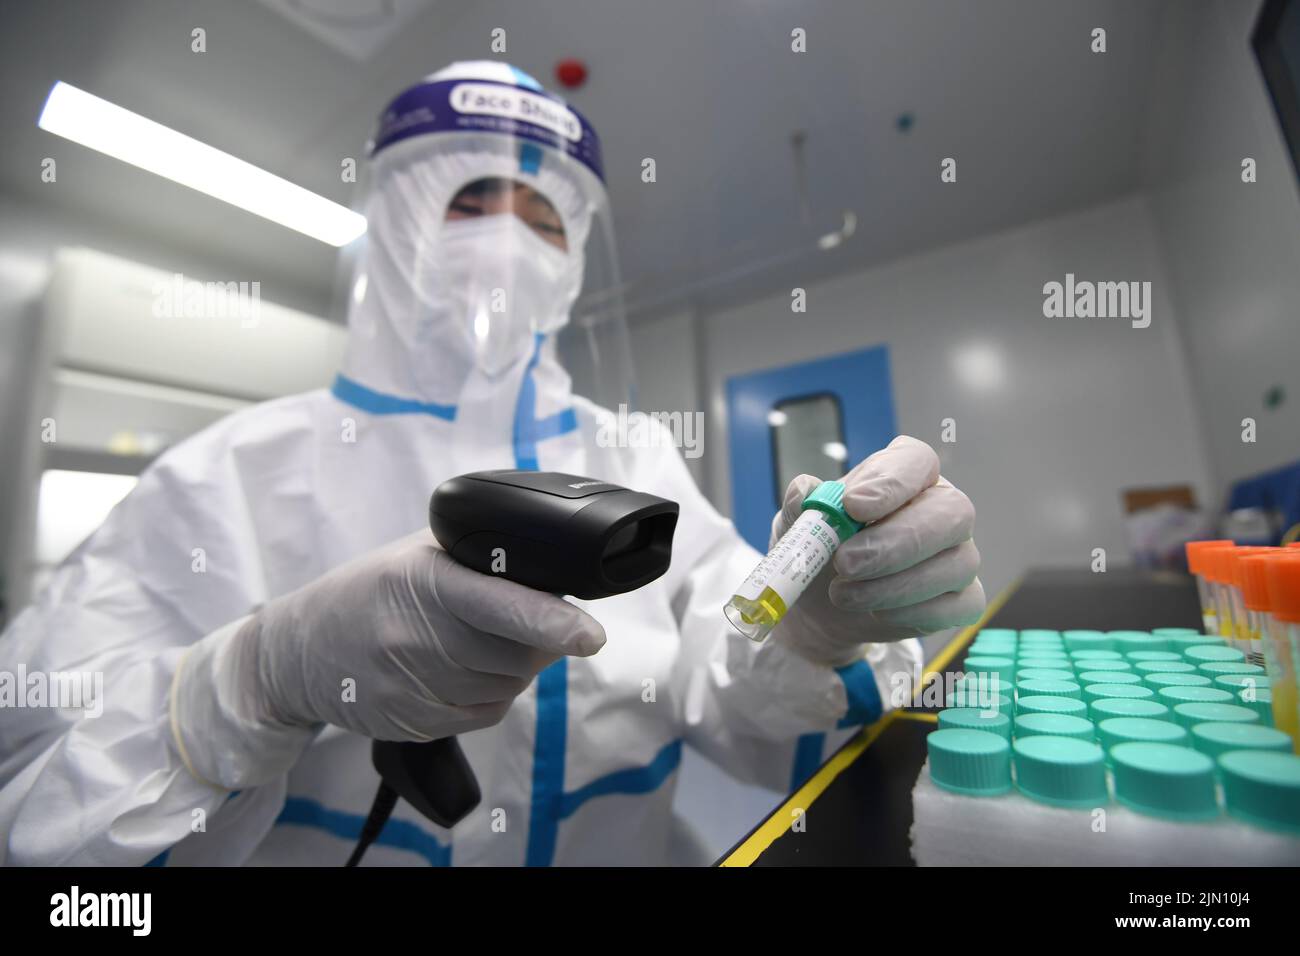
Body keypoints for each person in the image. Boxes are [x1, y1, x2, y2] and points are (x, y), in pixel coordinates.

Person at [0, 61, 983, 866]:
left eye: (544, 216)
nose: (510, 241)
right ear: (393, 223)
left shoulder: (629, 455)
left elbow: (747, 706)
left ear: (577, 252)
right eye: (473, 199)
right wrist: (251, 682)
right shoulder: (223, 477)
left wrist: (814, 634)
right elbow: (33, 805)